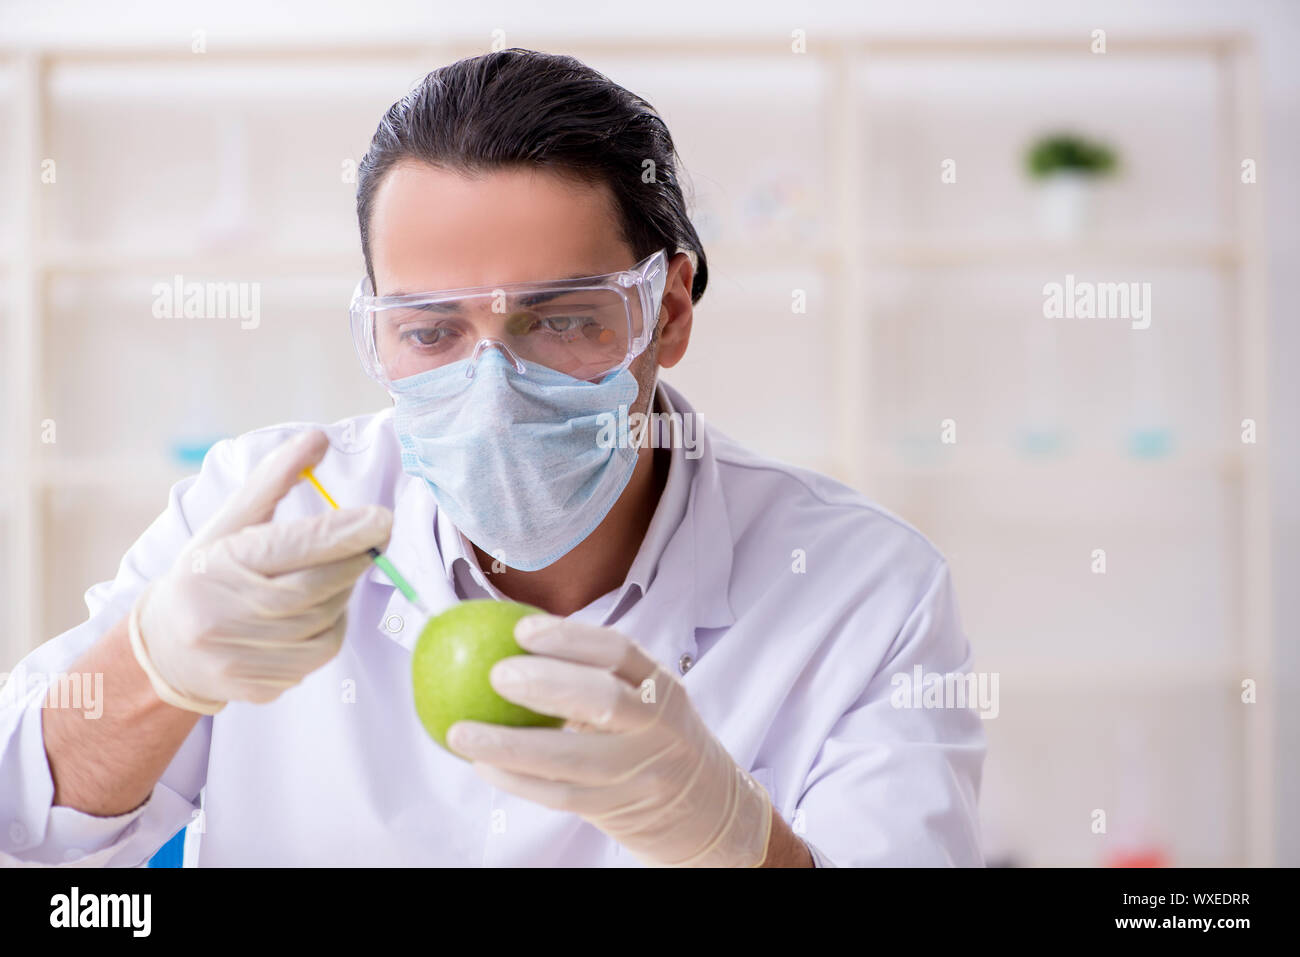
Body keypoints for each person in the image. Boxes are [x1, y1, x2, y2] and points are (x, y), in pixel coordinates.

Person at [0, 48, 985, 867]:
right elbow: (23, 832)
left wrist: (734, 840)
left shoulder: (863, 591)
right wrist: (152, 669)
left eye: (561, 320)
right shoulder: (262, 517)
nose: (492, 386)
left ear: (668, 311)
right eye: (430, 333)